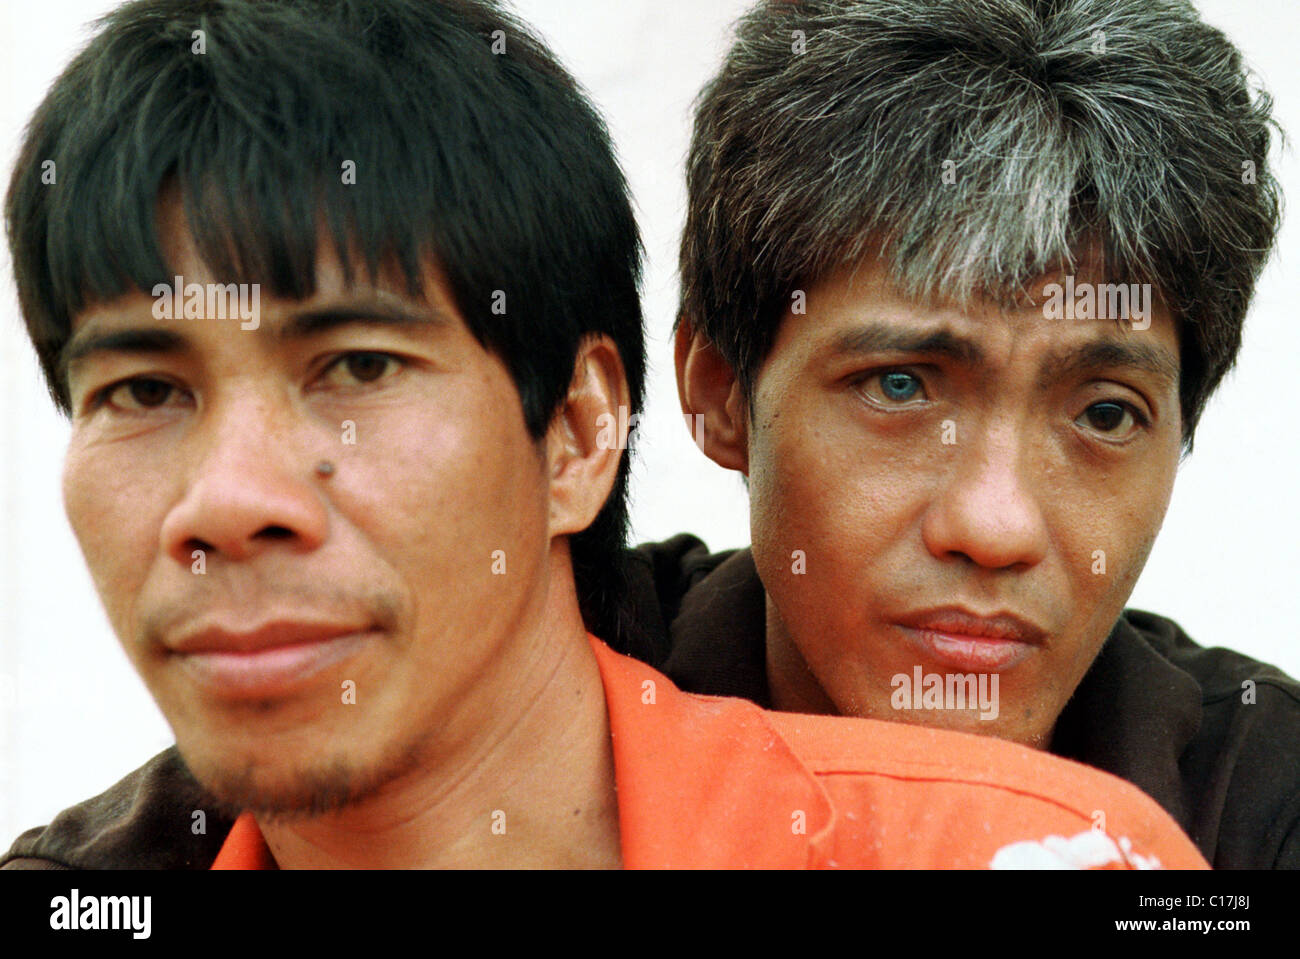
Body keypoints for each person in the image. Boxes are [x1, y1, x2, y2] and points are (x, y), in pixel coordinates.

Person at [1, 0, 1207, 870]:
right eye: (142, 391)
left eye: (359, 365)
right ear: (716, 393)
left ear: (581, 434)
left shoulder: (1058, 852)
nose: (226, 499)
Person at [630, 0, 1300, 868]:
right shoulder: (538, 695)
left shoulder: (1259, 800)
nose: (995, 529)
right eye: (899, 386)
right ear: (720, 389)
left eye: (1104, 413)